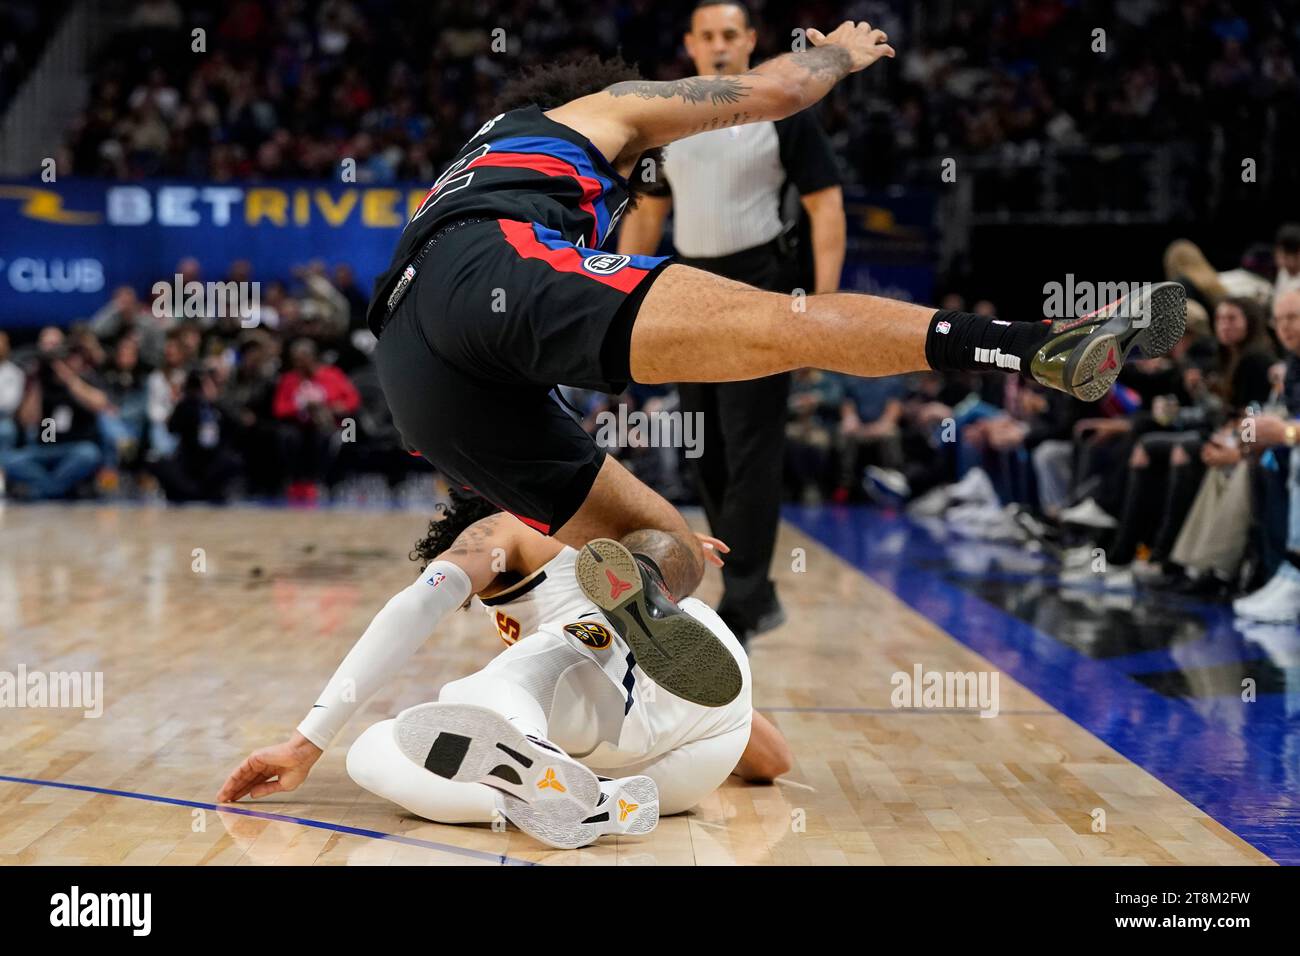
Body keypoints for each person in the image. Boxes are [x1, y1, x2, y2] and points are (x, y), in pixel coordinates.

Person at [365, 21, 1186, 706]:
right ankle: (1036, 343)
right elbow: (780, 93)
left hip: (412, 372)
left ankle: (634, 598)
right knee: (785, 324)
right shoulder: (599, 109)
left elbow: (614, 269)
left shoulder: (472, 160)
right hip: (492, 266)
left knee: (670, 542)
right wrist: (836, 51)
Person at [216, 496, 791, 850]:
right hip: (698, 737)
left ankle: (532, 785)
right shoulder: (609, 550)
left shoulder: (505, 525)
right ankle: (577, 796)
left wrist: (305, 741)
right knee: (411, 731)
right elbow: (769, 757)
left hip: (605, 705)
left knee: (451, 704)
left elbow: (414, 607)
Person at [616, 1, 846, 643]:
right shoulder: (667, 122)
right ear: (691, 44)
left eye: (730, 35)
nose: (718, 46)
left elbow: (825, 208)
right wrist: (626, 296)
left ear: (750, 42)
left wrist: (824, 307)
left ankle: (742, 604)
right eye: (707, 36)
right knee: (705, 447)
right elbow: (645, 214)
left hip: (762, 286)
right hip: (688, 289)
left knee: (751, 446)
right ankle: (754, 590)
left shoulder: (788, 117)